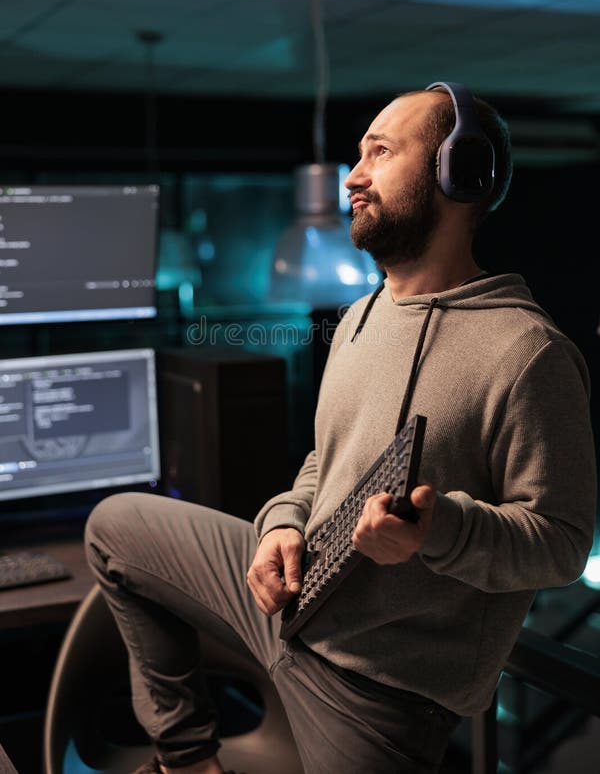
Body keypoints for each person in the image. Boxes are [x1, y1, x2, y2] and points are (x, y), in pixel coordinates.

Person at [85, 84, 597, 774]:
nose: (352, 176)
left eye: (380, 153)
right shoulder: (358, 317)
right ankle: (186, 760)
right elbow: (325, 463)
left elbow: (562, 545)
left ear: (459, 175)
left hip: (377, 696)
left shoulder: (528, 351)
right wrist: (281, 526)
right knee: (114, 527)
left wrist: (435, 532)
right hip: (291, 600)